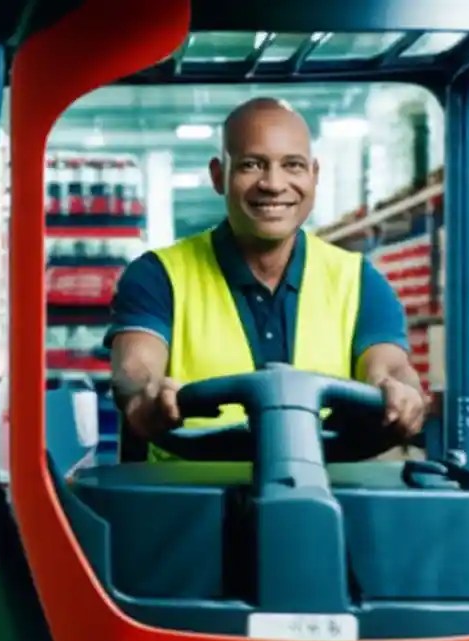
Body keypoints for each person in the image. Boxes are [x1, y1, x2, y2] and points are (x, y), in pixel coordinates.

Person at [106, 97, 428, 459]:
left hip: (328, 501)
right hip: (188, 504)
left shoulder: (358, 280)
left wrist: (398, 390)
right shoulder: (157, 275)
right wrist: (145, 394)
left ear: (313, 175)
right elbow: (136, 367)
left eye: (292, 165)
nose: (274, 184)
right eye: (252, 165)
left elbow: (389, 366)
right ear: (218, 176)